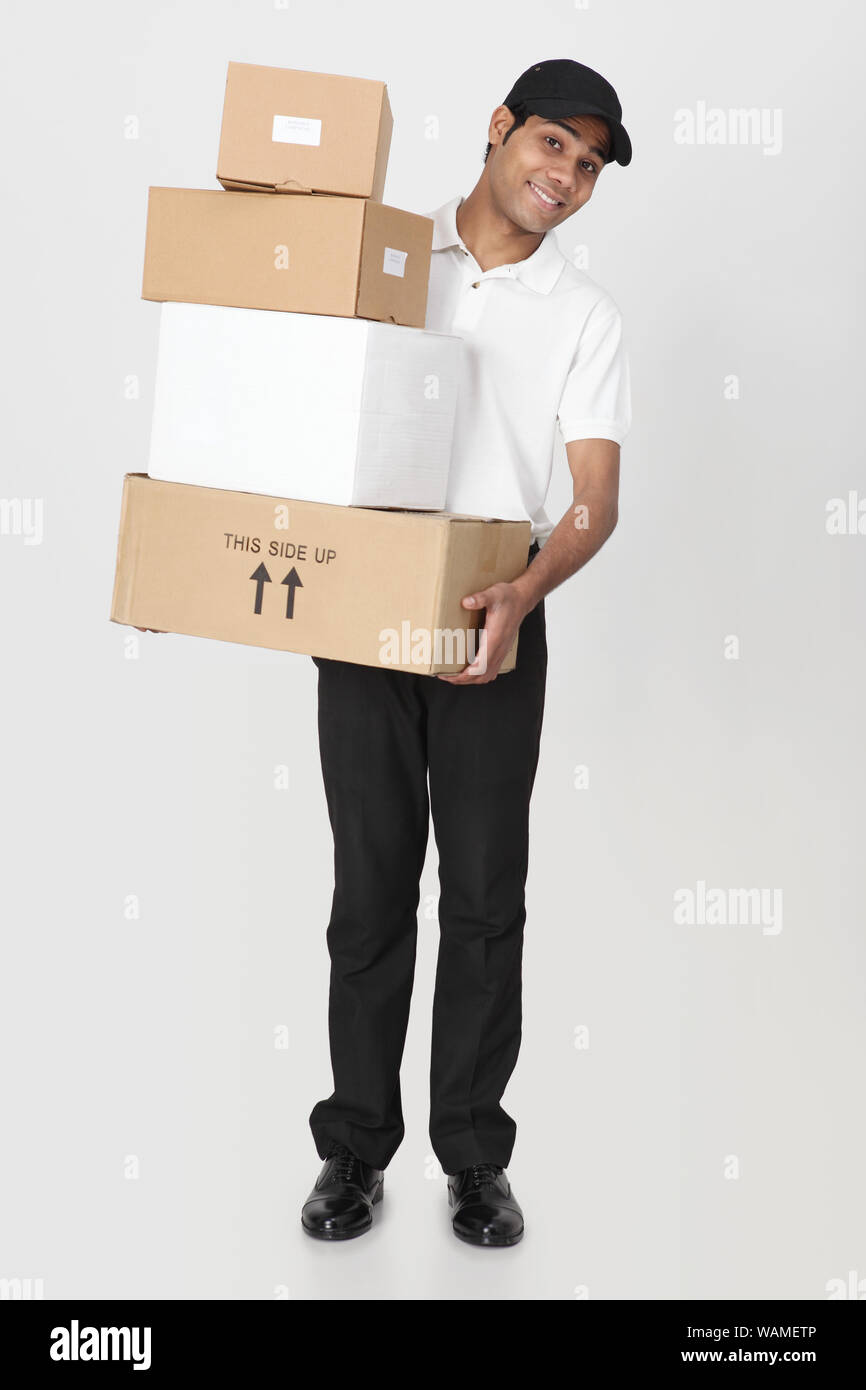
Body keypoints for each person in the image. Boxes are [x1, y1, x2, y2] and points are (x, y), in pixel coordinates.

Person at [301, 57, 633, 1247]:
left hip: (500, 614)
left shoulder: (583, 315)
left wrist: (526, 592)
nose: (567, 177)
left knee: (487, 902)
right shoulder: (389, 261)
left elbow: (593, 498)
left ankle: (474, 1160)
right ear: (497, 130)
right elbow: (302, 397)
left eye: (589, 166)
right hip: (363, 614)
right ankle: (351, 1152)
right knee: (370, 894)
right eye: (552, 145)